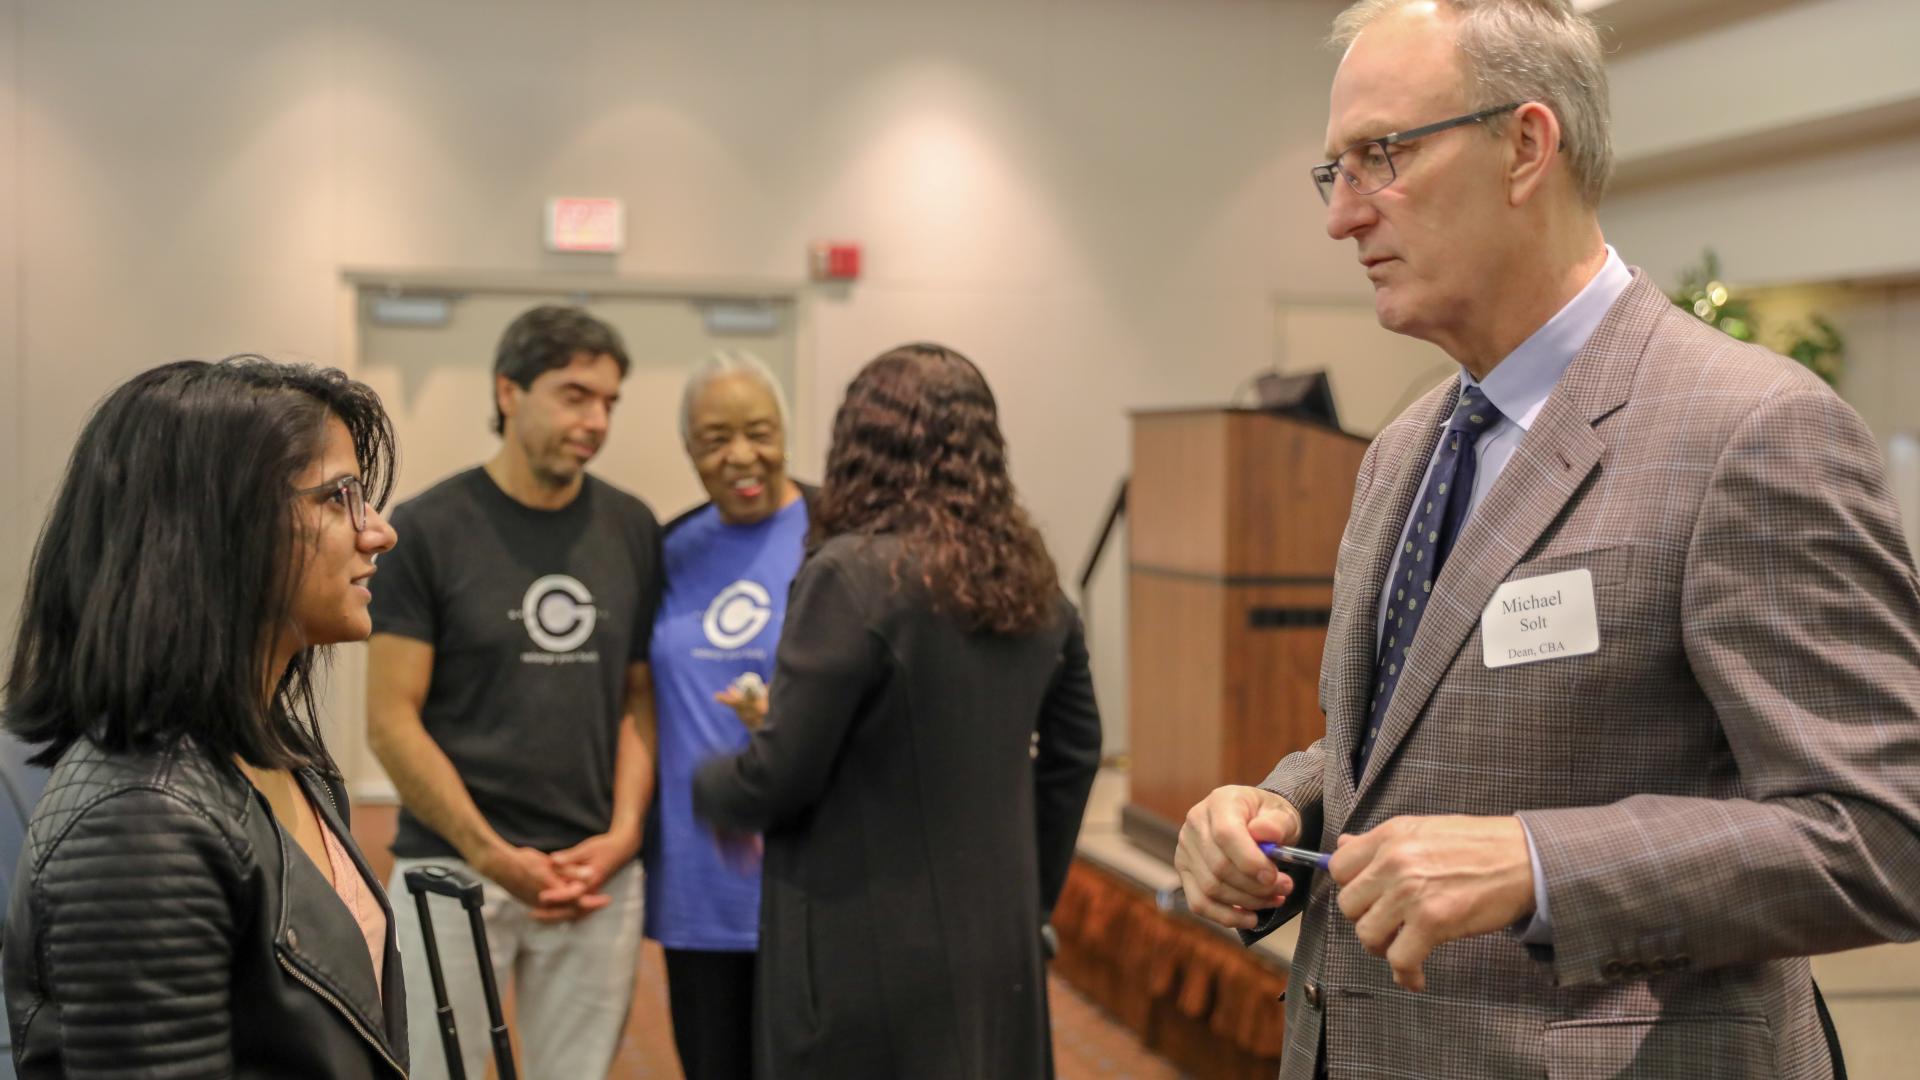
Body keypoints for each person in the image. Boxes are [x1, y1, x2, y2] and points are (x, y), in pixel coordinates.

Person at [1174, 2, 1920, 1077]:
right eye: (1333, 170)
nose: (1343, 217)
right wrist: (1278, 808)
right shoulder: (1402, 449)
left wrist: (1537, 865)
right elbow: (1401, 745)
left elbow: (1883, 833)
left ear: (1526, 145)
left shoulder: (1750, 431)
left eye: (1381, 156)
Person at [693, 343, 1103, 1079]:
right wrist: (1027, 897)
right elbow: (1074, 756)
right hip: (995, 958)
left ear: (859, 446)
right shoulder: (1034, 583)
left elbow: (781, 776)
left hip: (861, 963)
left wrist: (706, 784)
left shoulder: (849, 577)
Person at [3, 357, 407, 1077]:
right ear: (221, 531)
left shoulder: (285, 757)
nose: (377, 533)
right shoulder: (141, 817)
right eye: (340, 496)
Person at [365, 305, 663, 1079]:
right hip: (453, 868)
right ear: (508, 391)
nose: (596, 419)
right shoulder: (427, 530)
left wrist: (625, 835)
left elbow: (638, 701)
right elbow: (390, 722)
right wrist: (493, 856)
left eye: (609, 401)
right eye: (574, 395)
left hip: (592, 876)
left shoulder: (631, 528)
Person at [644, 349, 813, 1080]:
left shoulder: (837, 537)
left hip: (811, 881)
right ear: (689, 449)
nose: (742, 455)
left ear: (784, 433)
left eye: (760, 431)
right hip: (699, 883)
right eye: (715, 439)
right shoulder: (667, 552)